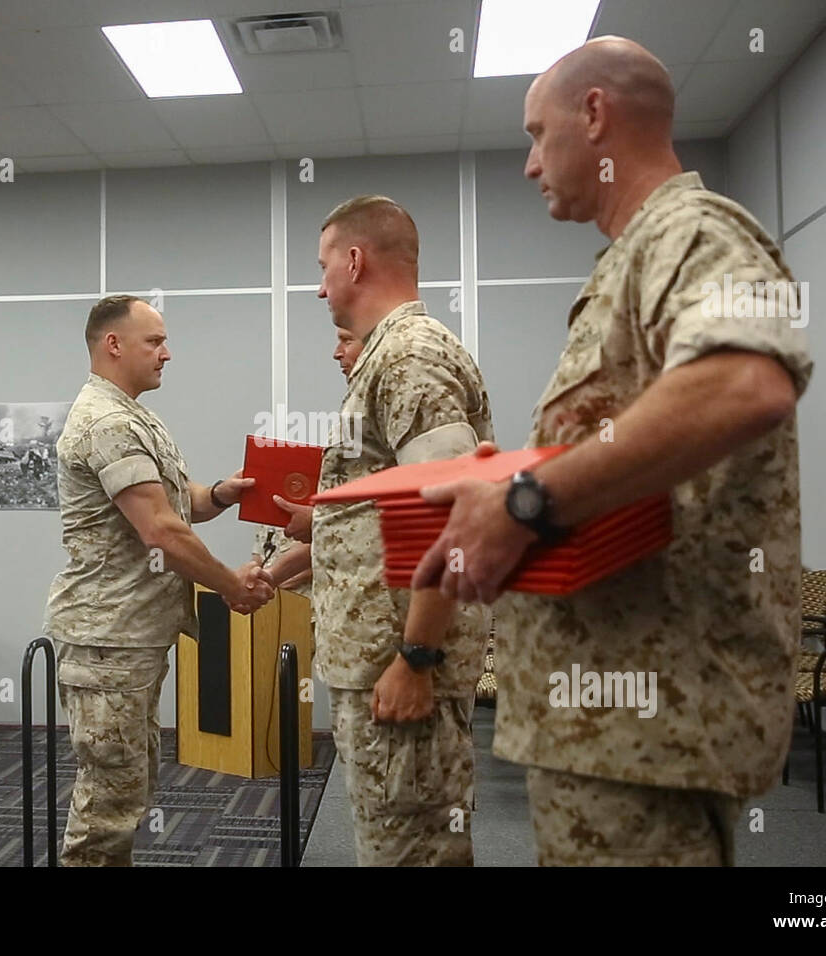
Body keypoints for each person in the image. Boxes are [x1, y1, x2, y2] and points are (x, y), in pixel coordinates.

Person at [413, 36, 814, 866]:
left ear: (594, 114)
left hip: (653, 718)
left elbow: (745, 384)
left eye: (535, 132)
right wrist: (511, 481)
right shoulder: (627, 263)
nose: (529, 164)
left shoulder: (693, 231)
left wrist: (528, 502)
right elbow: (627, 454)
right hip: (610, 714)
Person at [284, 195, 494, 866]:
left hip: (400, 668)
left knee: (414, 853)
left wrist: (417, 659)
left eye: (322, 267)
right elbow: (394, 508)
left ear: (355, 260)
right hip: (380, 661)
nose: (320, 287)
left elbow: (454, 515)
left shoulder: (409, 357)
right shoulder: (386, 357)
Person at [43, 293, 274, 867]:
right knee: (107, 806)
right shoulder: (107, 422)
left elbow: (175, 504)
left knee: (126, 788)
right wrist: (231, 586)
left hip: (130, 639)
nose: (167, 353)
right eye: (155, 341)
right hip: (108, 641)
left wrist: (219, 494)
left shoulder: (135, 415)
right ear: (113, 344)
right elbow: (162, 532)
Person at [260, 326, 365, 592]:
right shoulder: (355, 413)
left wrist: (318, 521)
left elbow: (385, 516)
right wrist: (270, 577)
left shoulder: (381, 410)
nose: (336, 354)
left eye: (346, 340)